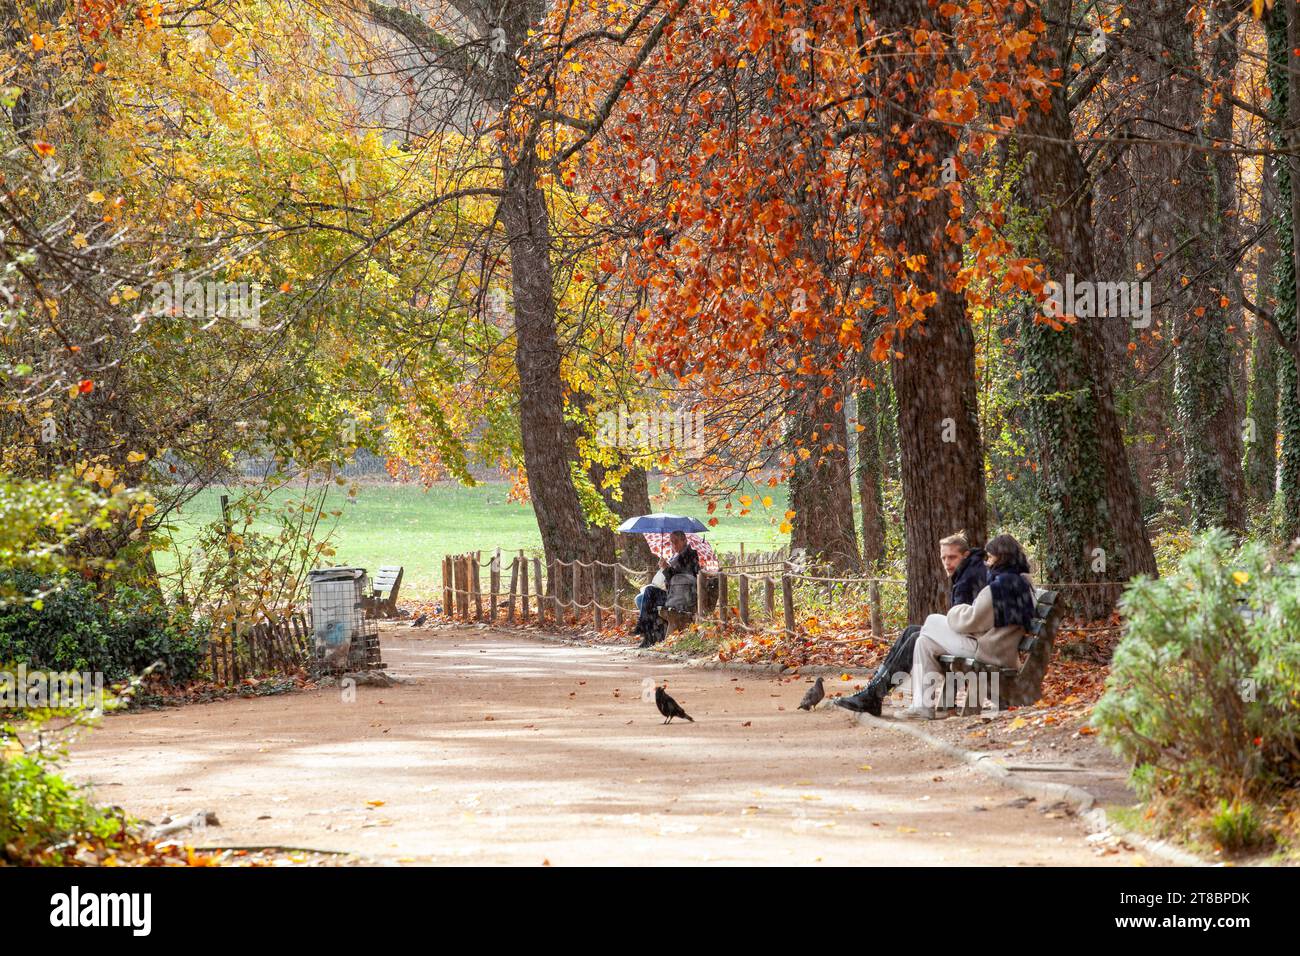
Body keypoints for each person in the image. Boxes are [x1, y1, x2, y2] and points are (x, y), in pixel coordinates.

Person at [835, 532, 988, 715]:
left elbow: (968, 622)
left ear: (966, 555)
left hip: (978, 643)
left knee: (921, 633)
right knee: (913, 634)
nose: (947, 562)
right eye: (944, 557)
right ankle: (878, 692)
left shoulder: (971, 576)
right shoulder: (968, 571)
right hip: (970, 638)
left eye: (952, 557)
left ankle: (874, 694)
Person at [901, 532, 1036, 720]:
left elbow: (970, 621)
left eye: (990, 557)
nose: (987, 563)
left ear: (1001, 557)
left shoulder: (998, 588)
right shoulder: (1020, 582)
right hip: (1000, 649)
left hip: (987, 652)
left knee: (931, 621)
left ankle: (925, 704)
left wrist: (956, 611)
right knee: (924, 642)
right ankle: (922, 706)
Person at [632, 531, 701, 647]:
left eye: (676, 542)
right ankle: (652, 635)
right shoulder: (678, 555)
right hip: (674, 593)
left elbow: (677, 579)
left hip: (682, 598)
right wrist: (666, 567)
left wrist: (665, 569)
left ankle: (647, 632)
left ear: (684, 540)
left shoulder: (689, 555)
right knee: (643, 597)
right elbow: (673, 579)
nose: (673, 545)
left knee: (649, 594)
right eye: (671, 542)